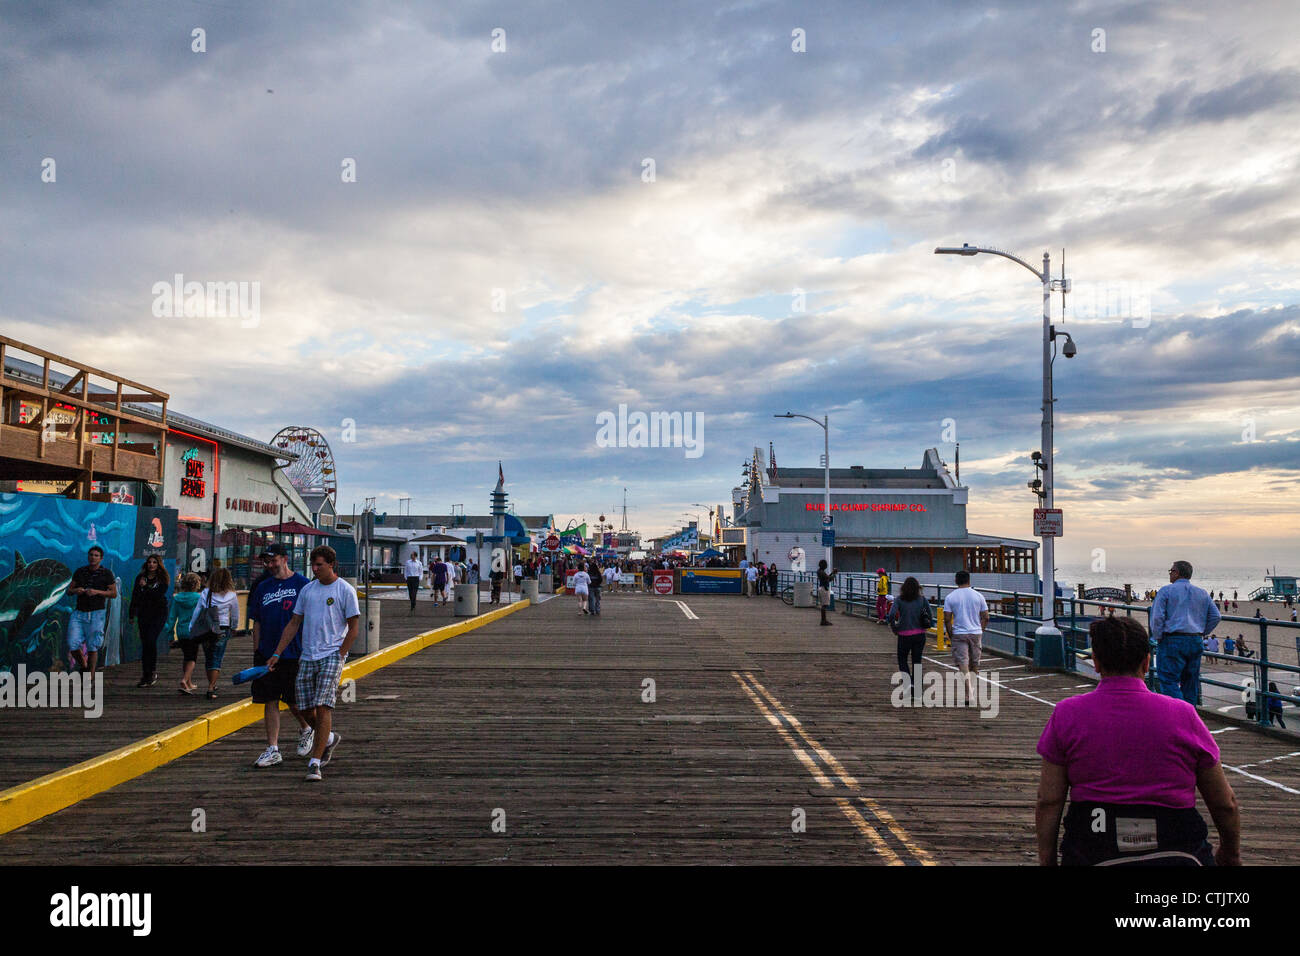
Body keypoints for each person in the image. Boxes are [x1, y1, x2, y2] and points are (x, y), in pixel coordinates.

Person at [1035, 615, 1241, 866]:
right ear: (1147, 662)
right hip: (1175, 848)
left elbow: (1049, 799)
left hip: (1093, 845)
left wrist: (1047, 860)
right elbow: (1224, 803)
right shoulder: (1183, 714)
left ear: (1096, 663)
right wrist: (1230, 853)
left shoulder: (1067, 714)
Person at [267, 546, 360, 783]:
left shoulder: (345, 590)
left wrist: (341, 653)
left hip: (332, 654)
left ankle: (315, 763)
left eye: (319, 565)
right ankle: (327, 738)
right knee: (304, 707)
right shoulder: (308, 590)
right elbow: (294, 622)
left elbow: (354, 626)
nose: (315, 569)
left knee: (323, 704)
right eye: (313, 565)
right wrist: (277, 652)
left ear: (331, 564)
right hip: (308, 655)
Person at [248, 544, 313, 768]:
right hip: (267, 652)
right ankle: (272, 748)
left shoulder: (303, 584)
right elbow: (256, 621)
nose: (270, 565)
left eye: (273, 560)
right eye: (266, 561)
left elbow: (310, 618)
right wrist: (257, 651)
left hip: (295, 651)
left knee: (293, 699)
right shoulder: (262, 587)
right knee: (270, 699)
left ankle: (306, 728)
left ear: (285, 559)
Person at [1149, 561, 1220, 702]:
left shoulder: (1166, 591)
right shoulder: (1202, 593)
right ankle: (1189, 716)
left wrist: (1157, 636)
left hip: (1172, 639)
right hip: (1195, 639)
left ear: (1177, 572)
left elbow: (1157, 617)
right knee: (1190, 682)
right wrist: (1202, 631)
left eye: (1171, 570)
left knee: (1168, 680)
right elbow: (1216, 616)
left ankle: (1178, 714)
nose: (1170, 573)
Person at [66, 545, 117, 677]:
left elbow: (113, 593)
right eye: (91, 555)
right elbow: (69, 591)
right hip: (79, 612)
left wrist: (97, 592)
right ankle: (84, 666)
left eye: (96, 555)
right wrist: (76, 590)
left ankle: (91, 675)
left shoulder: (106, 574)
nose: (93, 558)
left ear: (101, 558)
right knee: (72, 643)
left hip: (96, 613)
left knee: (92, 646)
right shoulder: (80, 571)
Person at [190, 567, 239, 700]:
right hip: (223, 628)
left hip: (207, 628)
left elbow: (198, 610)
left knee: (209, 657)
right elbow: (235, 614)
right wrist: (234, 627)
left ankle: (211, 683)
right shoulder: (232, 595)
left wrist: (192, 626)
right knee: (217, 657)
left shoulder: (206, 592)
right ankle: (211, 687)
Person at [942, 570, 988, 702]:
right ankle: (971, 690)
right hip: (975, 632)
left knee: (963, 663)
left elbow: (946, 618)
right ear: (969, 580)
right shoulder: (978, 596)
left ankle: (969, 693)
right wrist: (981, 629)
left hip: (959, 633)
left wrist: (951, 634)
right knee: (974, 663)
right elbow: (986, 617)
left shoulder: (950, 597)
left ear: (956, 581)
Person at [128, 554, 170, 687]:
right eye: (149, 562)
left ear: (158, 565)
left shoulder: (162, 579)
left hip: (158, 613)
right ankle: (145, 674)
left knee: (151, 640)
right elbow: (135, 596)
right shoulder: (140, 578)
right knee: (145, 643)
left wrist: (146, 587)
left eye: (154, 562)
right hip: (144, 613)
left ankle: (151, 671)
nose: (151, 564)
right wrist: (131, 614)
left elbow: (157, 595)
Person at [887, 576, 933, 691]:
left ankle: (908, 684)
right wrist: (926, 625)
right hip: (919, 635)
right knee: (917, 661)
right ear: (918, 588)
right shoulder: (922, 599)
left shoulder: (899, 599)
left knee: (902, 659)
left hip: (904, 634)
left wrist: (894, 628)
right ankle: (917, 689)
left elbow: (891, 615)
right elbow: (930, 615)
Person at [166, 573, 203, 694]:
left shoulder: (177, 599)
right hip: (194, 631)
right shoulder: (199, 598)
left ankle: (189, 683)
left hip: (181, 631)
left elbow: (171, 618)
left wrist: (170, 635)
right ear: (196, 584)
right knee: (192, 658)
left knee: (186, 656)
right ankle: (184, 679)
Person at [816, 559, 834, 626]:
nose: (826, 565)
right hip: (824, 589)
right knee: (824, 605)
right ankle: (823, 621)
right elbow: (828, 578)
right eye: (825, 564)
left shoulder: (820, 571)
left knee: (823, 604)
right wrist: (833, 575)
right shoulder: (821, 572)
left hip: (822, 587)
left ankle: (823, 620)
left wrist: (832, 574)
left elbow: (827, 578)